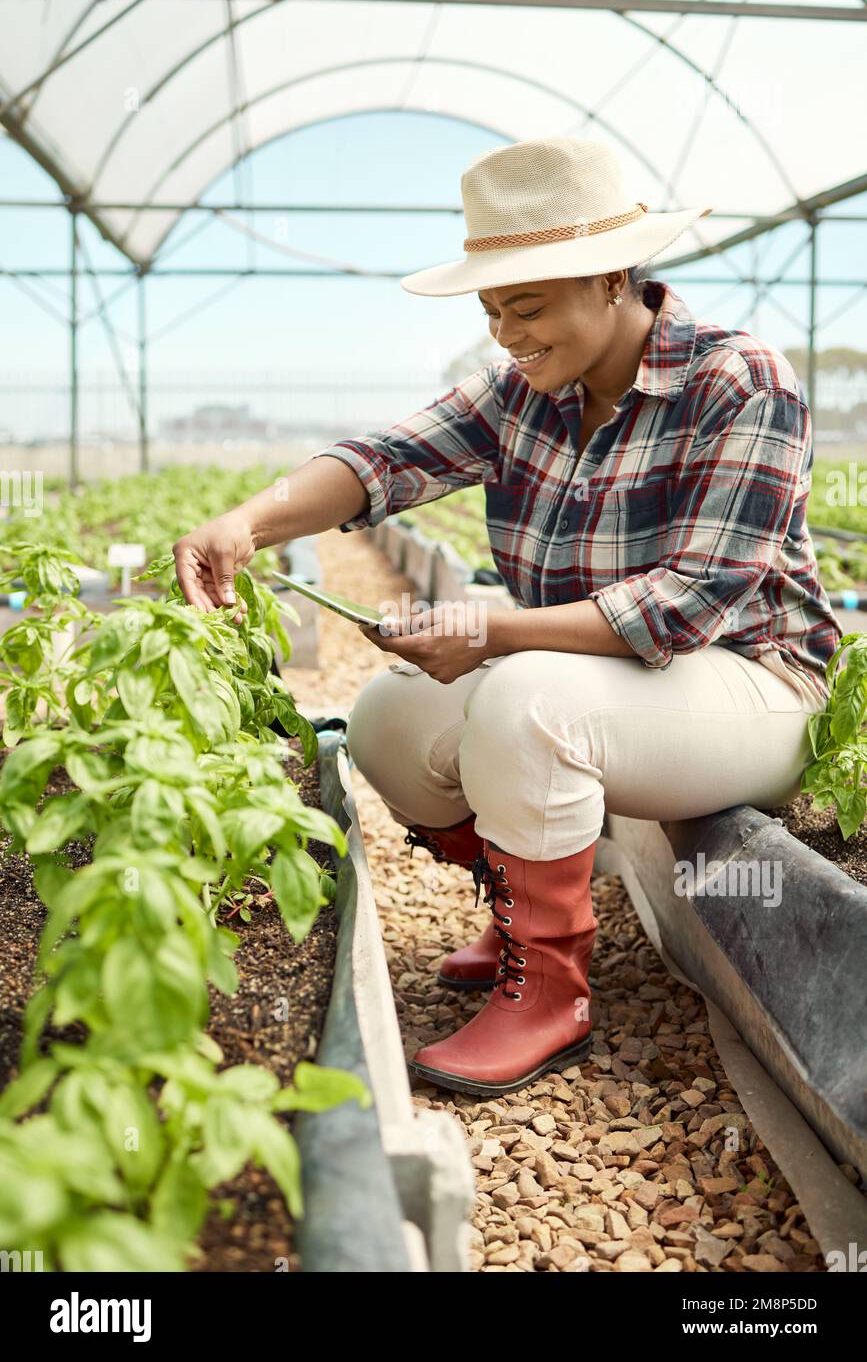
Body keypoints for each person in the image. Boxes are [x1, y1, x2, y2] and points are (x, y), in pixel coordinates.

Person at [173, 136, 842, 1099]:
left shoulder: (736, 380)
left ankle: (553, 997)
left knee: (529, 698)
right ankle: (524, 905)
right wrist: (249, 520)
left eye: (526, 306)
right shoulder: (520, 393)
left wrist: (490, 631)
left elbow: (687, 602)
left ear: (613, 279)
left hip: (752, 683)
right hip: (607, 680)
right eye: (492, 310)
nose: (505, 333)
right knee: (389, 720)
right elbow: (384, 460)